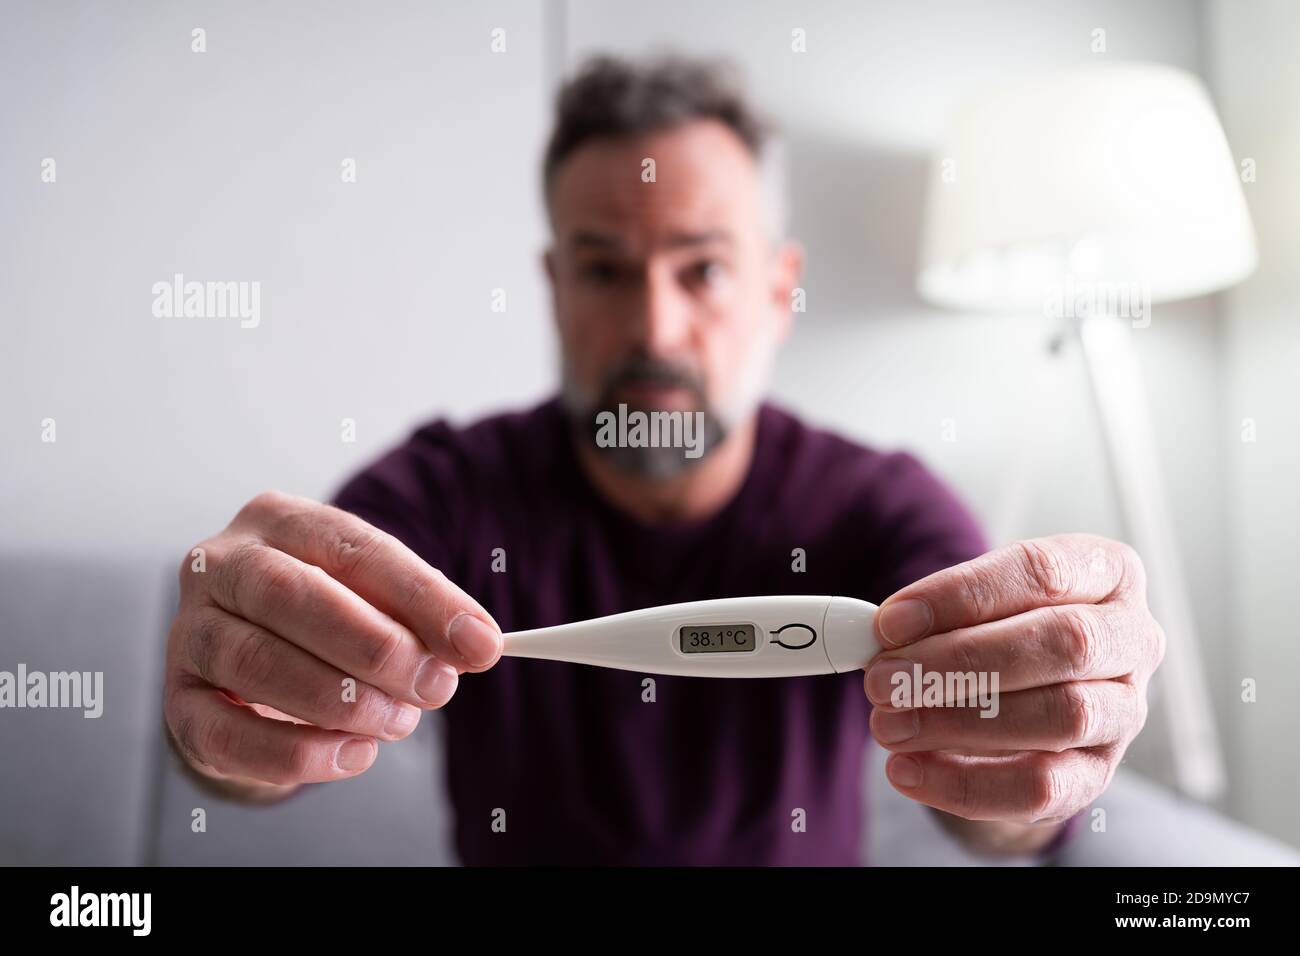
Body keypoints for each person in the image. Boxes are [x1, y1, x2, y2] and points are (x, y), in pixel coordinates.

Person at [162, 54, 1166, 865]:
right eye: (605, 267)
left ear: (780, 291)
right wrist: (232, 709)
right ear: (554, 286)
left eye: (705, 268)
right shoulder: (444, 495)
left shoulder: (882, 509)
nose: (654, 322)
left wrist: (1031, 758)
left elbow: (1005, 799)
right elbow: (258, 740)